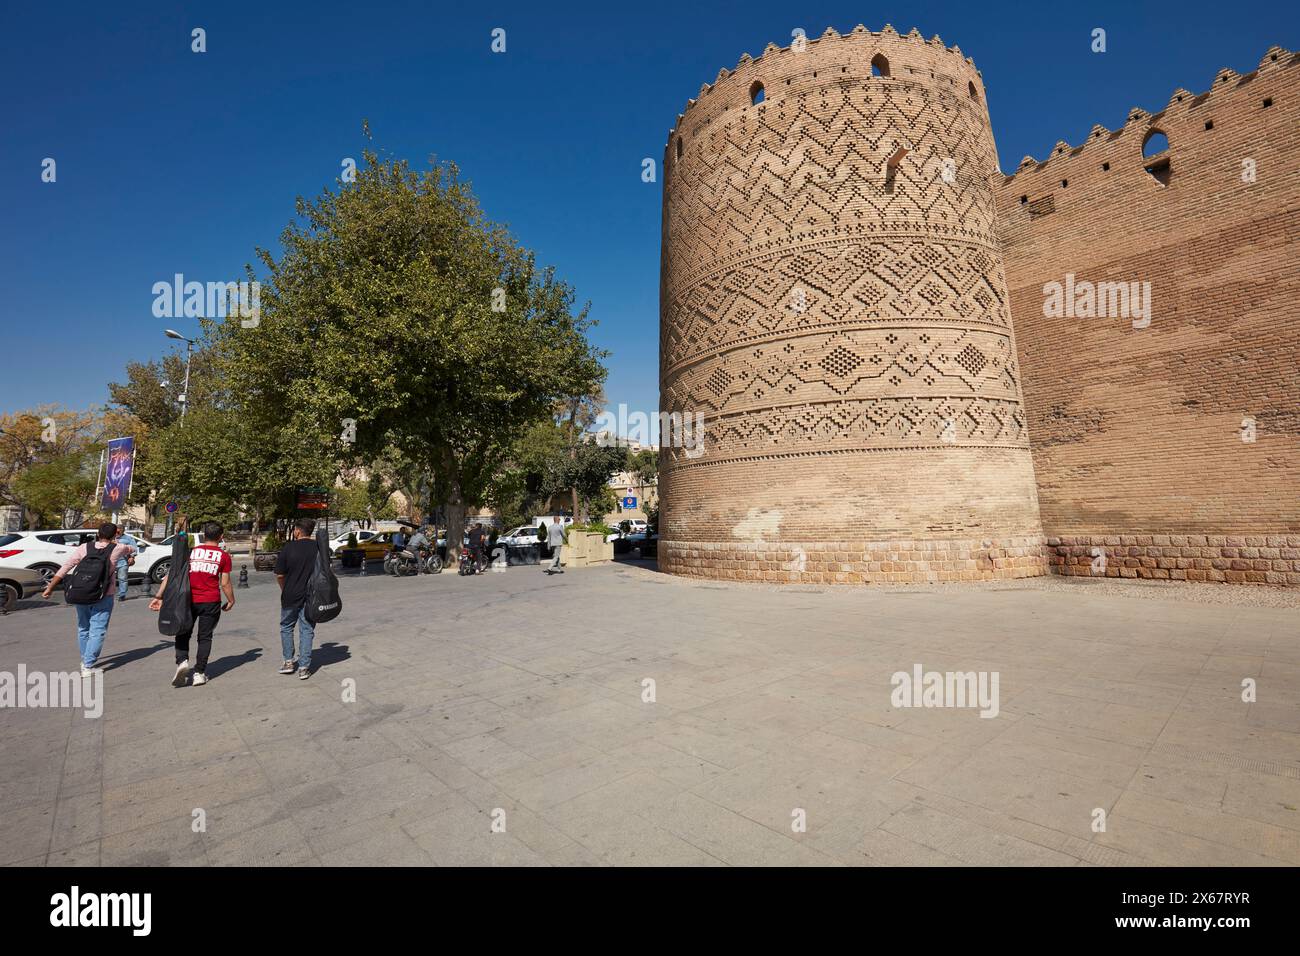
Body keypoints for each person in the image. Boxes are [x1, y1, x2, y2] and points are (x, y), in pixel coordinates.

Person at [149, 520, 234, 687]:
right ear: (221, 537)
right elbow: (225, 583)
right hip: (210, 600)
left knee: (182, 632)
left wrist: (159, 596)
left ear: (203, 535)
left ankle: (182, 661)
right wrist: (231, 600)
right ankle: (199, 673)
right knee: (205, 637)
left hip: (186, 599)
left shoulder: (191, 552)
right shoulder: (223, 556)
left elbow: (172, 575)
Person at [41, 523, 131, 676]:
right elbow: (132, 549)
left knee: (83, 627)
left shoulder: (84, 547)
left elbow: (66, 566)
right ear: (115, 534)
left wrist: (50, 587)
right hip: (104, 595)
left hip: (81, 592)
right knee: (98, 630)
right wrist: (118, 543)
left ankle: (85, 659)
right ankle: (88, 665)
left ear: (97, 533)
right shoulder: (118, 548)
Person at [274, 518, 318, 679]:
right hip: (312, 596)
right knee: (307, 629)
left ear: (298, 531)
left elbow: (280, 574)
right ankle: (304, 667)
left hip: (290, 595)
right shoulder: (318, 547)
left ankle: (288, 662)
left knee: (286, 627)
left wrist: (285, 589)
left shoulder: (289, 548)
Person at [114, 525, 137, 602]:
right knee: (108, 579)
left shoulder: (128, 538)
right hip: (111, 562)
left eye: (119, 530)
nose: (117, 532)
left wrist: (132, 557)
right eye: (116, 531)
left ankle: (122, 595)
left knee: (122, 578)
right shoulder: (110, 537)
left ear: (123, 531)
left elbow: (134, 549)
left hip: (122, 562)